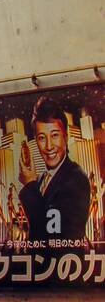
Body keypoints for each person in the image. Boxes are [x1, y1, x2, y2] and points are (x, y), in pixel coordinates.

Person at [18, 97, 90, 242]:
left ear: (66, 136)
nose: (49, 146)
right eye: (42, 138)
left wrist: (29, 185)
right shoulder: (40, 180)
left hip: (64, 263)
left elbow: (51, 234)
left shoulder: (76, 178)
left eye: (55, 135)